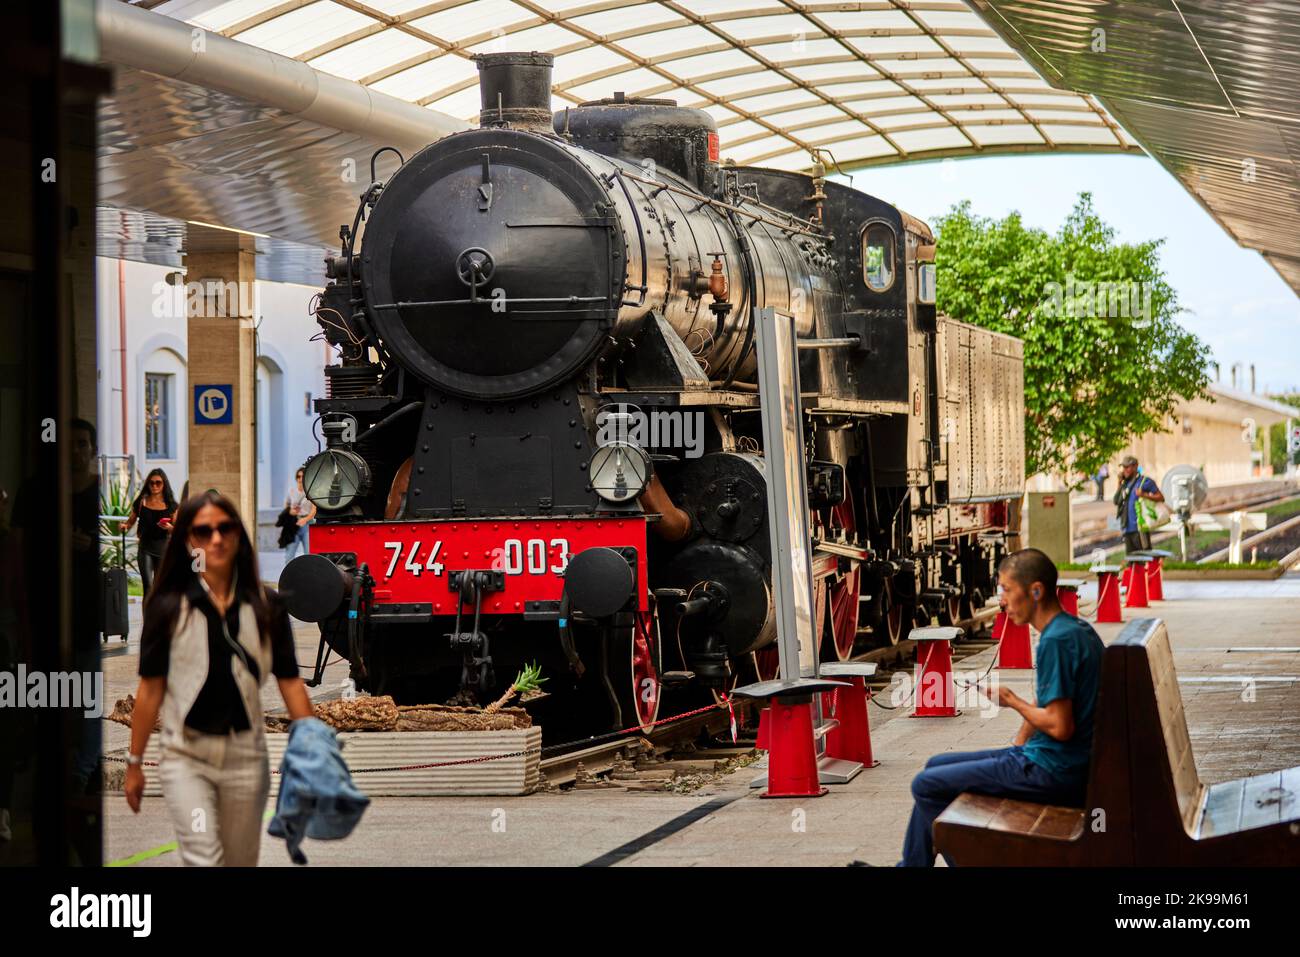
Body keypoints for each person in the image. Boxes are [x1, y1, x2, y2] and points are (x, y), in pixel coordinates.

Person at [123, 490, 314, 866]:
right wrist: (134, 763)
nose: (216, 538)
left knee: (240, 861)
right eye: (203, 531)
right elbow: (150, 691)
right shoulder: (166, 608)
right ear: (188, 541)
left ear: (238, 535)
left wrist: (311, 754)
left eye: (225, 528)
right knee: (203, 857)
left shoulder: (267, 607)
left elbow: (290, 683)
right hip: (186, 759)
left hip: (245, 758)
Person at [899, 548, 1104, 867]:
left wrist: (1009, 701)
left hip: (1055, 771)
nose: (1002, 601)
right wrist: (1017, 747)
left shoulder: (1056, 641)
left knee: (925, 785)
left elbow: (1060, 726)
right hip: (1053, 760)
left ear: (1035, 591)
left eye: (1007, 590)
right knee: (935, 764)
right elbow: (1048, 701)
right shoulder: (1073, 629)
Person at [121, 468, 177, 594]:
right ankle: (147, 614)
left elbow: (178, 529)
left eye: (158, 483)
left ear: (164, 484)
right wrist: (124, 526)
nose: (154, 486)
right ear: (147, 484)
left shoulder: (171, 505)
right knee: (148, 586)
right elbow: (130, 521)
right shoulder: (142, 502)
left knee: (159, 587)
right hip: (145, 548)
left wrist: (169, 528)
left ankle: (157, 613)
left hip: (163, 549)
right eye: (151, 483)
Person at [1114, 454, 1163, 552]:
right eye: (1123, 467)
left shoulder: (1144, 481)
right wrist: (1119, 483)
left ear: (1135, 466)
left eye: (1127, 467)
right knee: (1131, 560)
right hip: (1127, 528)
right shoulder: (1125, 484)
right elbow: (1116, 501)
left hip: (1140, 528)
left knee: (1144, 557)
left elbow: (1160, 497)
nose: (1124, 470)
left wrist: (1144, 495)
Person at [284, 468, 316, 562]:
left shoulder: (310, 492)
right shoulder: (291, 491)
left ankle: (310, 576)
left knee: (309, 554)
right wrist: (290, 511)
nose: (300, 478)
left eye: (302, 476)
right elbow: (286, 507)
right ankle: (289, 576)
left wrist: (305, 519)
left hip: (308, 524)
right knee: (289, 556)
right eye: (298, 476)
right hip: (294, 524)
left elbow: (314, 510)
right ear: (296, 478)